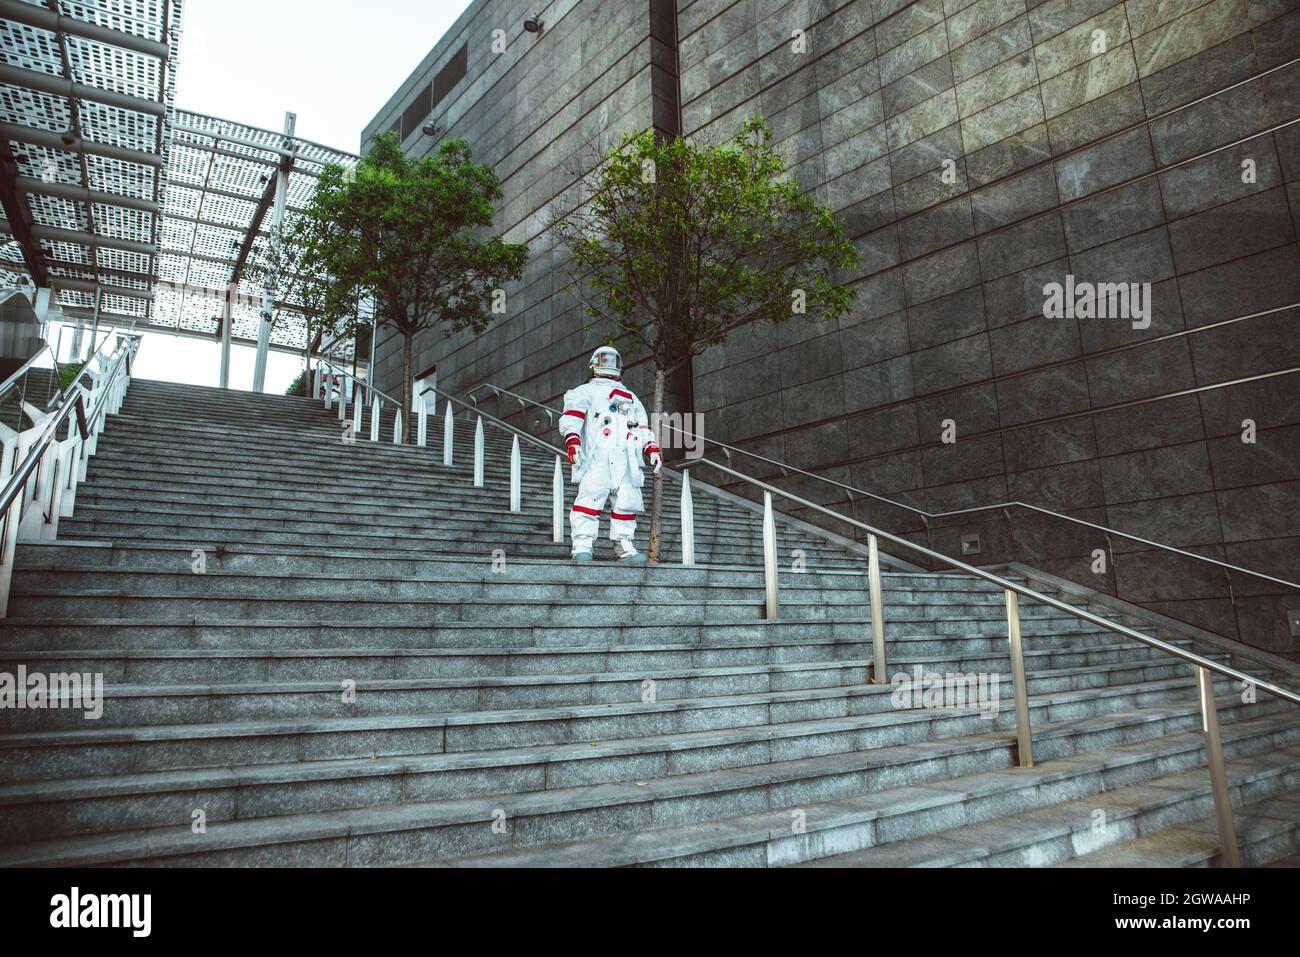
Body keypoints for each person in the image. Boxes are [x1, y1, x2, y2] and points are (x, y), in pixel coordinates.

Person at [558, 346, 662, 562]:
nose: (609, 364)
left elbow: (641, 427)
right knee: (590, 499)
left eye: (612, 360)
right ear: (594, 363)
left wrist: (650, 446)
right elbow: (572, 419)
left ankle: (624, 546)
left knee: (627, 502)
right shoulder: (584, 392)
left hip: (627, 458)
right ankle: (582, 545)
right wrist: (573, 441)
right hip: (598, 457)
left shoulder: (631, 398)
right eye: (604, 360)